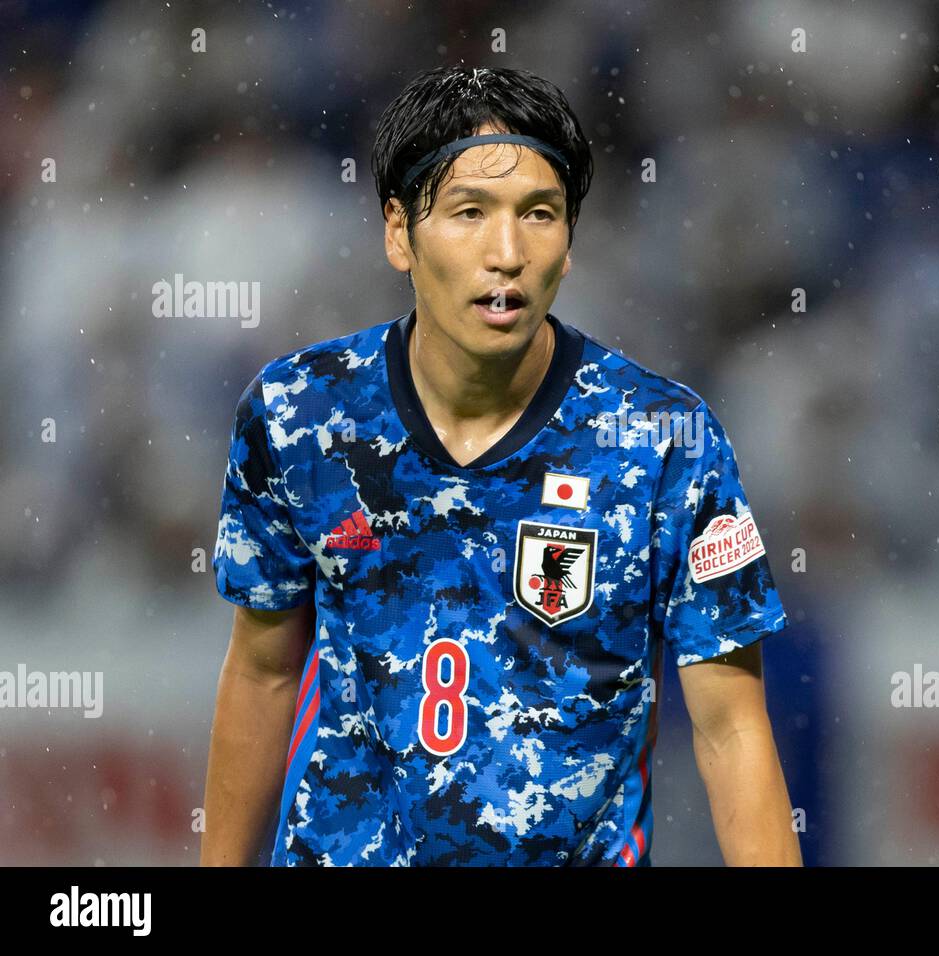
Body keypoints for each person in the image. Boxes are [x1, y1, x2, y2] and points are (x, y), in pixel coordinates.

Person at [200, 66, 800, 866]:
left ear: (571, 240)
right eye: (469, 213)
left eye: (539, 214)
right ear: (397, 231)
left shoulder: (665, 439)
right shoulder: (299, 414)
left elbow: (729, 728)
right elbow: (264, 673)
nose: (507, 251)